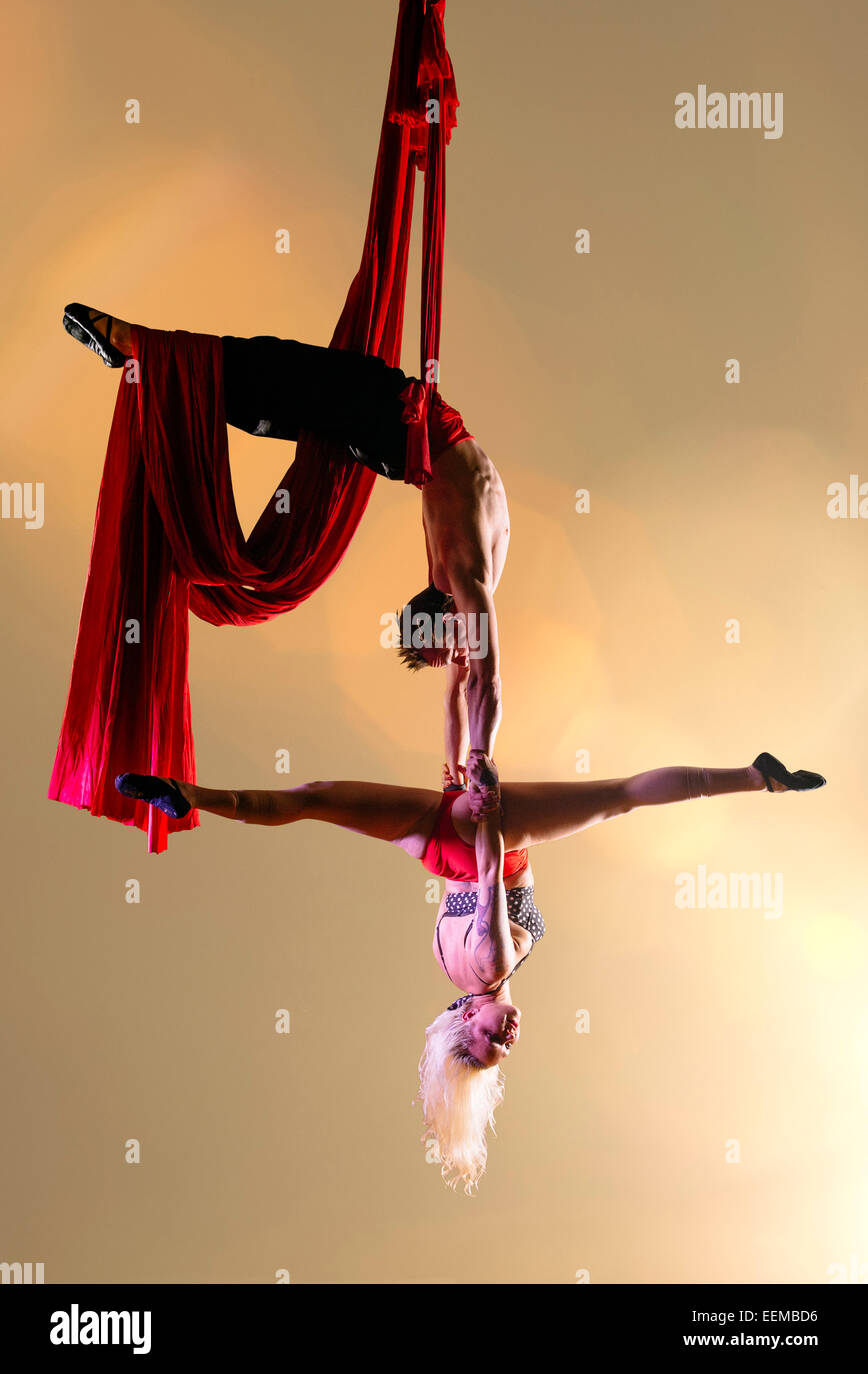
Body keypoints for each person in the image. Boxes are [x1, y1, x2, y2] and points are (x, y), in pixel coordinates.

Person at [113, 749, 825, 1192]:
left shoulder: (490, 965)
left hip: (488, 844)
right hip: (433, 844)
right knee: (313, 799)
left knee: (621, 796)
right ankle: (193, 796)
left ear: (465, 1020)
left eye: (487, 1041)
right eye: (505, 1052)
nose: (507, 1039)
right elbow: (462, 895)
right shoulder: (458, 973)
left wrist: (483, 798)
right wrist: (461, 807)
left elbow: (488, 878)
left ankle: (755, 778)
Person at [64, 302, 507, 818]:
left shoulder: (469, 578)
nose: (461, 660)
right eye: (452, 653)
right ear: (445, 621)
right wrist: (482, 762)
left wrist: (455, 776)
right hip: (388, 414)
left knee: (274, 405)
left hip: (385, 432)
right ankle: (140, 344)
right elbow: (484, 682)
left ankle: (160, 365)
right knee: (277, 380)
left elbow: (460, 694)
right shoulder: (464, 573)